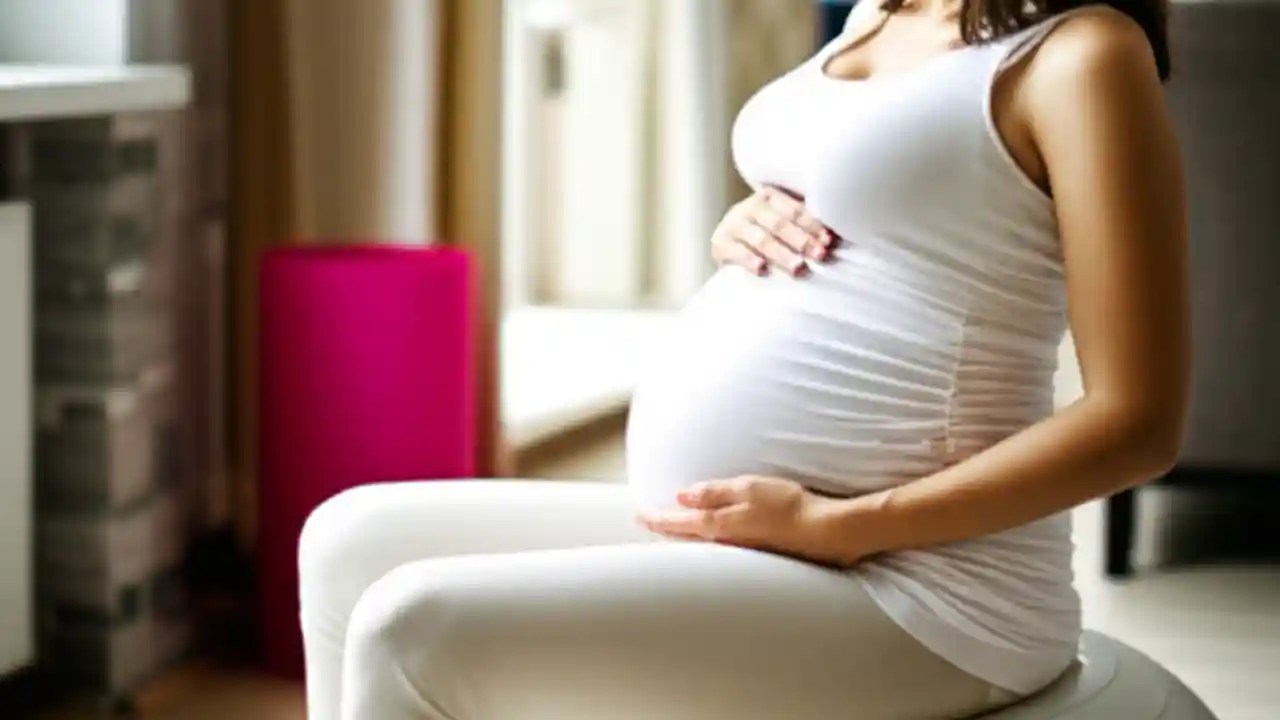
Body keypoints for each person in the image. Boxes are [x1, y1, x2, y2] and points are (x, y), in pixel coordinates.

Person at [299, 0, 1188, 717]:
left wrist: (839, 526)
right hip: (758, 539)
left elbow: (1138, 424)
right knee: (349, 540)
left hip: (926, 589)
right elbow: (908, 225)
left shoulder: (1083, 52)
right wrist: (744, 224)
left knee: (411, 628)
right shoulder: (877, 14)